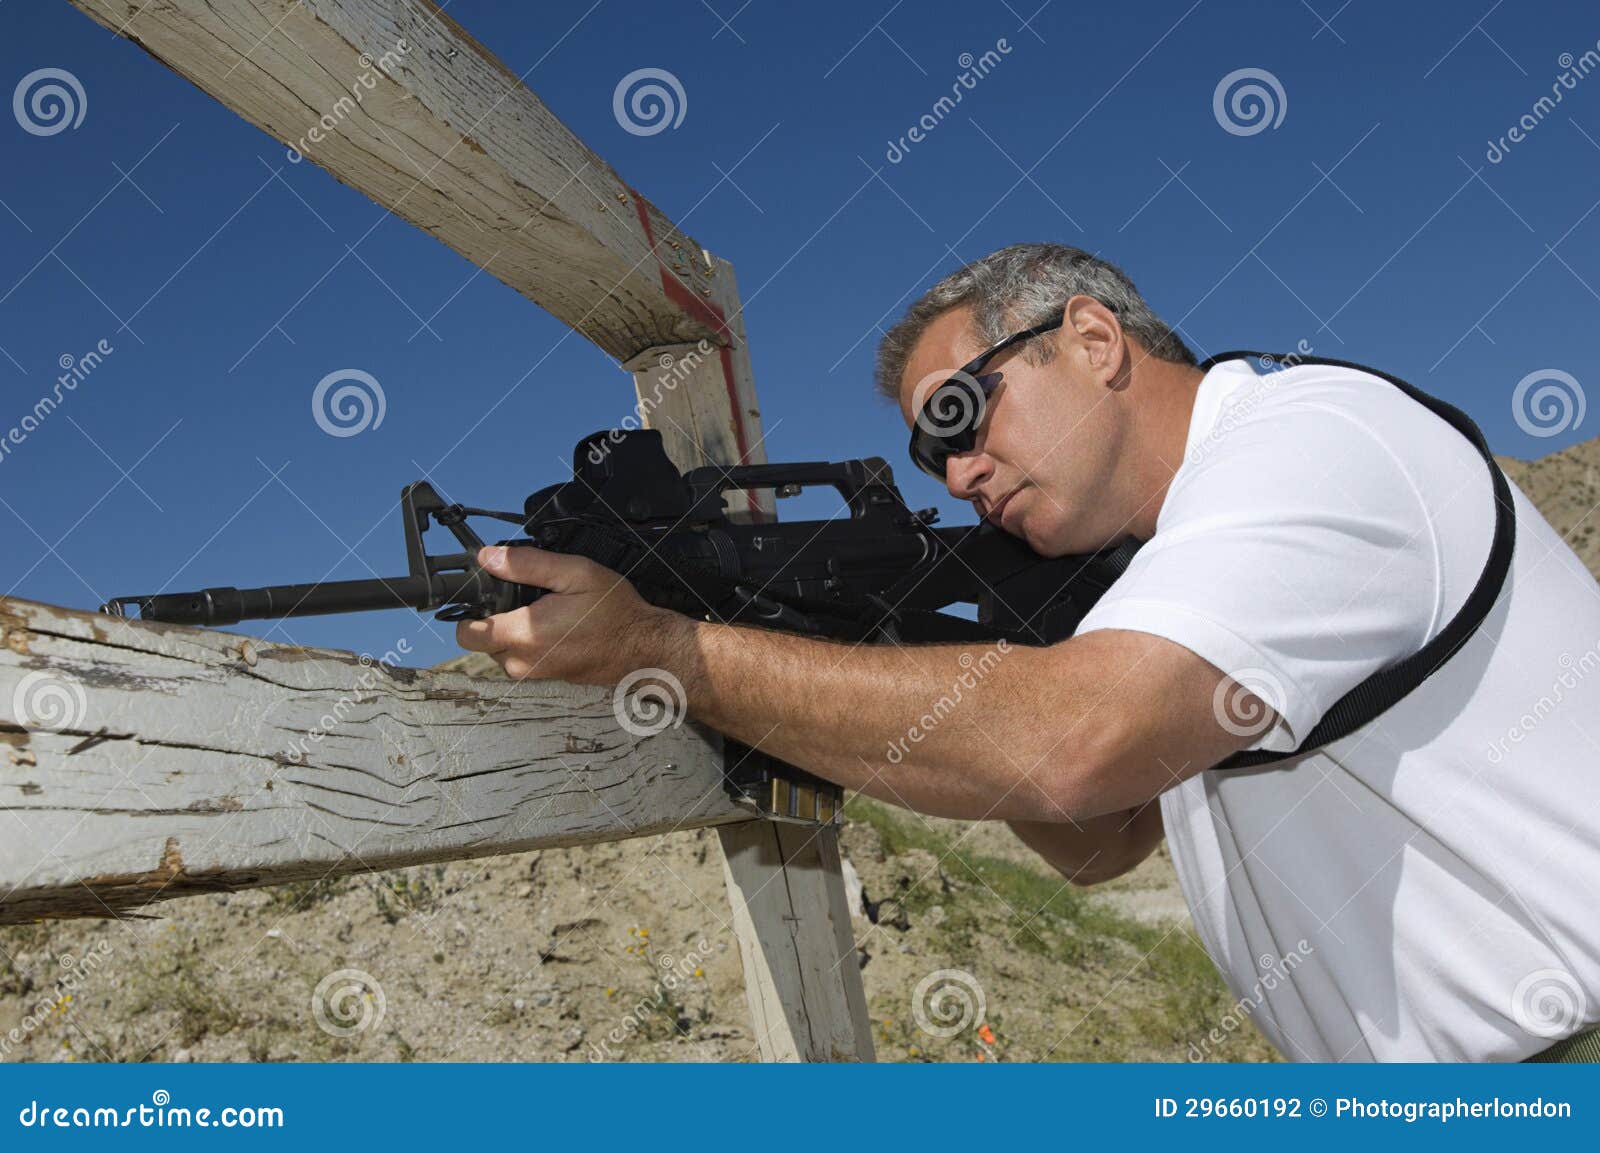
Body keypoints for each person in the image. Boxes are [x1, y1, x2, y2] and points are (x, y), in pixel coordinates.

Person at [456, 243, 1600, 1062]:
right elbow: (1096, 842)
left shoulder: (1311, 444)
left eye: (960, 418)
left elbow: (1071, 746)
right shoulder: (1165, 571)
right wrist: (874, 643)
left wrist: (672, 651)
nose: (955, 475)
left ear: (1092, 339)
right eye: (925, 457)